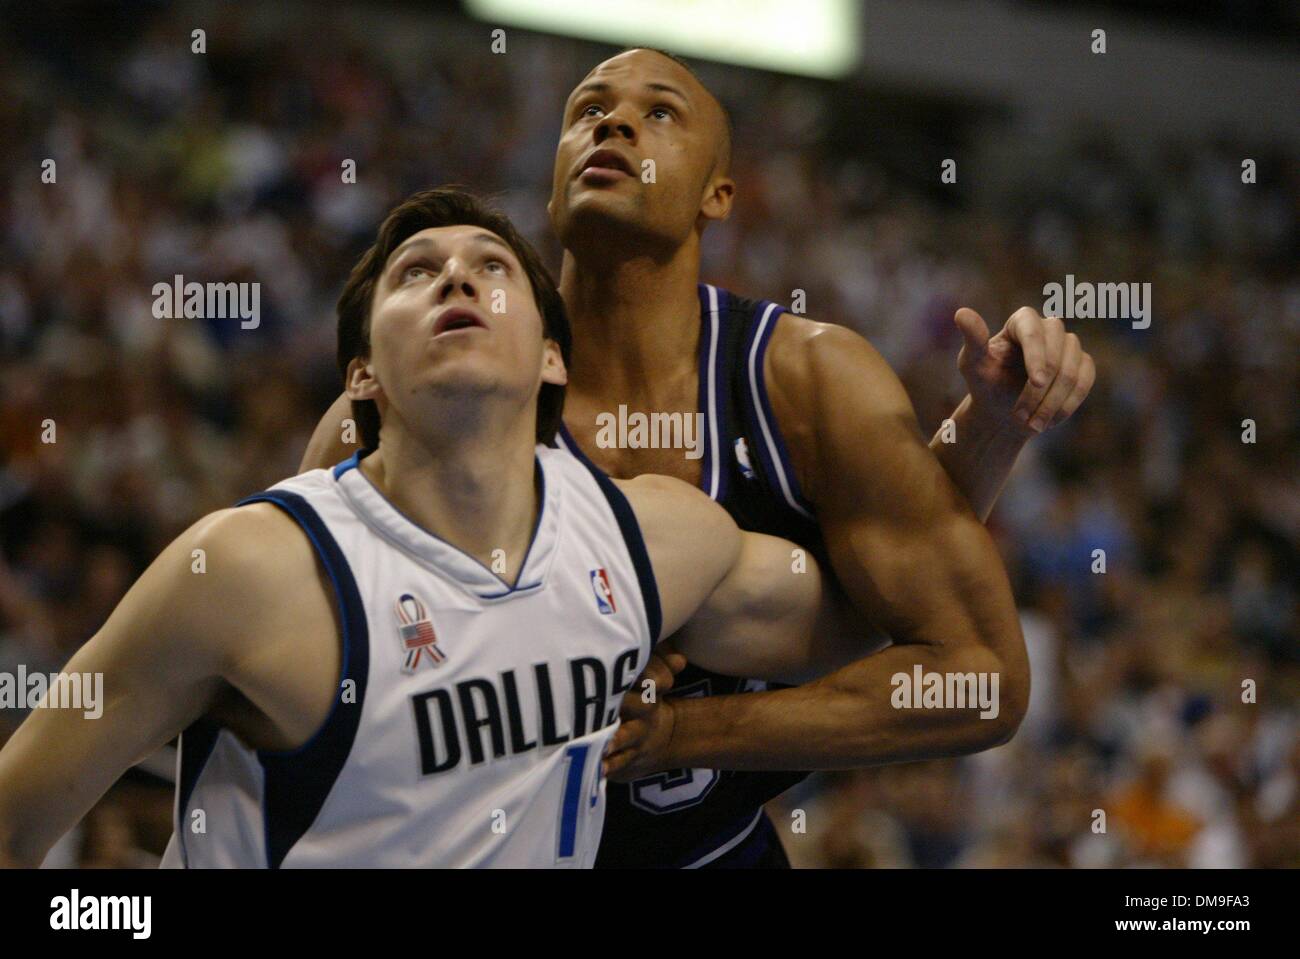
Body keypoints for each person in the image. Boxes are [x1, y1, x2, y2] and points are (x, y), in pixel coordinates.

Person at [301, 48, 1093, 869]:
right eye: (587, 111)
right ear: (554, 182)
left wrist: (682, 732)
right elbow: (300, 686)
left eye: (660, 113)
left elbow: (980, 678)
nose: (613, 123)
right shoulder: (408, 406)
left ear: (719, 193)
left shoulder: (808, 378)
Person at [0, 189, 893, 868]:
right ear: (362, 374)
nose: (458, 276)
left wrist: (987, 434)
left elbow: (882, 608)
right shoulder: (244, 570)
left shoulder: (653, 538)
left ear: (551, 357)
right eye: (415, 272)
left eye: (492, 267)